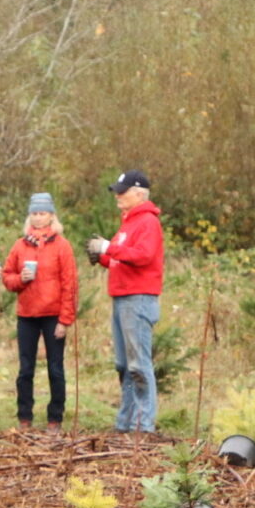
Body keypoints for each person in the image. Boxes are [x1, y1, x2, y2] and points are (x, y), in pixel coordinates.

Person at [88, 170, 165, 436]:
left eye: (123, 191)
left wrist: (108, 247)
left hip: (139, 299)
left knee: (138, 365)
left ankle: (143, 426)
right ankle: (126, 422)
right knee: (123, 364)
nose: (118, 196)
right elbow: (124, 259)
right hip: (122, 298)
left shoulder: (147, 223)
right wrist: (103, 258)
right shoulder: (129, 222)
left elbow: (143, 256)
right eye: (117, 191)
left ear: (139, 193)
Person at [0, 192, 78, 431]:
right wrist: (20, 279)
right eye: (34, 213)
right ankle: (25, 416)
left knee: (55, 368)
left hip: (54, 315)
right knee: (25, 369)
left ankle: (55, 417)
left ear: (51, 216)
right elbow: (6, 276)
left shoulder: (62, 246)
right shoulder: (20, 245)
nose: (37, 217)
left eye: (42, 213)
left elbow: (70, 284)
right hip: (27, 315)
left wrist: (65, 320)